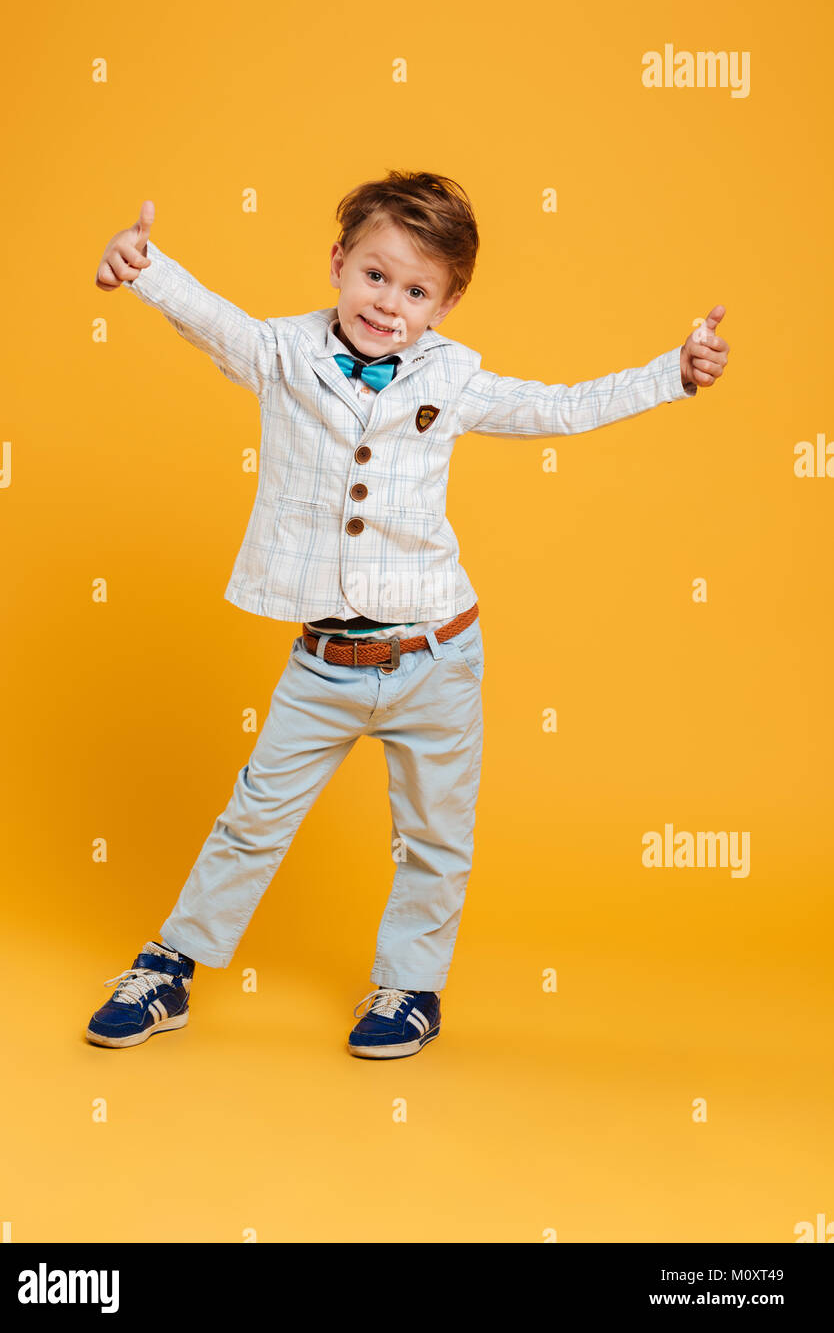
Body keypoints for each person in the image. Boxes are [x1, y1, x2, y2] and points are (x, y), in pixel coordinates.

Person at [85, 170, 730, 1058]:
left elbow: (558, 406)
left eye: (417, 290)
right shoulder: (282, 355)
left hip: (437, 657)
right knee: (254, 817)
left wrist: (675, 373)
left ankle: (410, 989)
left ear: (447, 303)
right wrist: (144, 268)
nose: (389, 304)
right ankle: (172, 968)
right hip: (325, 665)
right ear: (340, 263)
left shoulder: (454, 378)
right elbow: (213, 320)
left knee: (433, 835)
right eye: (376, 276)